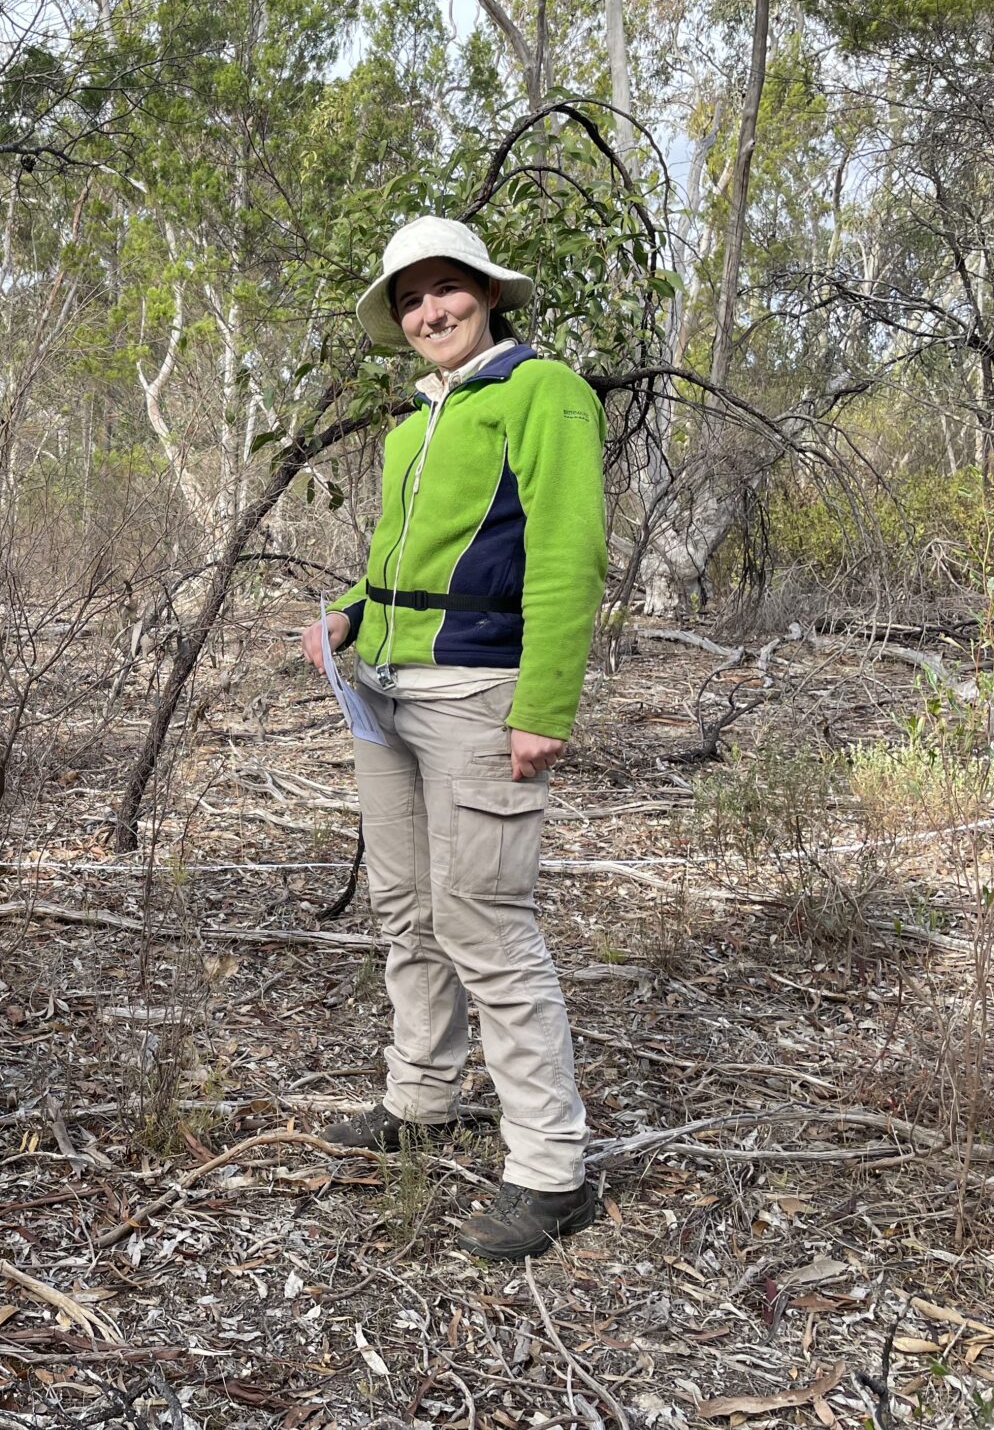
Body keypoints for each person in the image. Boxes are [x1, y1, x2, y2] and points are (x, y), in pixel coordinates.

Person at [304, 215, 607, 1260]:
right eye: (409, 298)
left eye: (447, 290)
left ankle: (549, 1170)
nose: (429, 311)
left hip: (478, 695)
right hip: (382, 692)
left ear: (486, 294)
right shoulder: (410, 426)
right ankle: (421, 1101)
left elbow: (567, 556)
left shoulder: (541, 391)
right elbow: (400, 557)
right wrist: (345, 610)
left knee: (483, 919)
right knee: (404, 908)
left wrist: (542, 709)